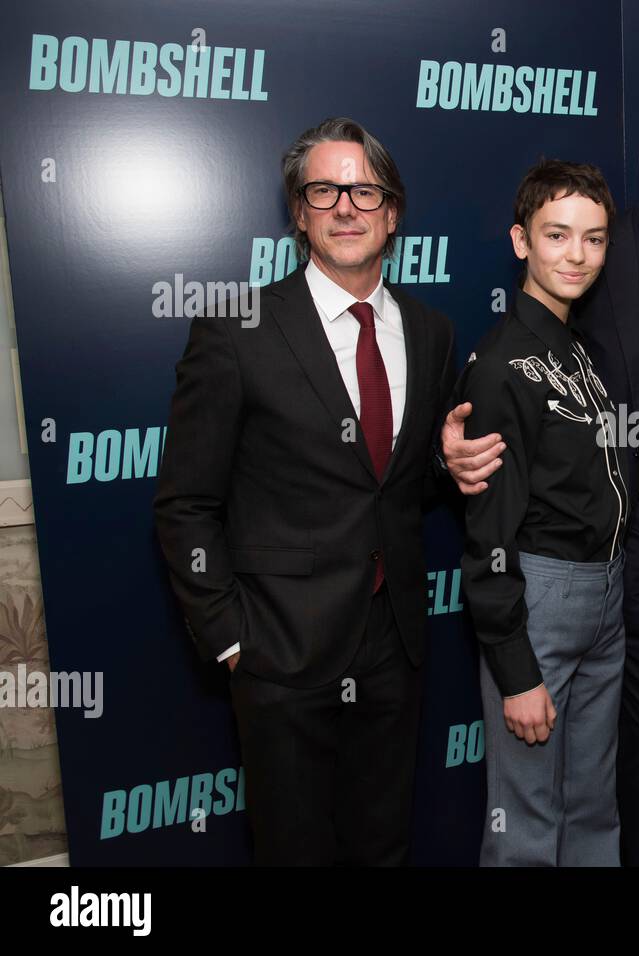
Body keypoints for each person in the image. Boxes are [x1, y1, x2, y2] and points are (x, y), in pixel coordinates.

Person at [443, 92, 639, 866]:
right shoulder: (597, 256)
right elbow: (500, 390)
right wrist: (449, 451)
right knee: (623, 749)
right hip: (623, 543)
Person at [154, 117, 458, 865]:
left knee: (382, 846)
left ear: (393, 212)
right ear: (298, 211)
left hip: (394, 647)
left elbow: (397, 490)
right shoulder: (237, 325)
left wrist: (448, 466)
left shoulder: (431, 332)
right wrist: (231, 639)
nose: (345, 206)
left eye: (365, 190)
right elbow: (185, 504)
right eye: (324, 190)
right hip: (280, 653)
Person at [457, 160, 627, 866]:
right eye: (557, 235)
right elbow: (488, 535)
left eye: (593, 239)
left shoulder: (578, 346)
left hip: (605, 594)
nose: (577, 255)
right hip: (539, 604)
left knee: (591, 807)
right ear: (521, 241)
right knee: (525, 820)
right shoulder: (499, 365)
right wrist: (516, 669)